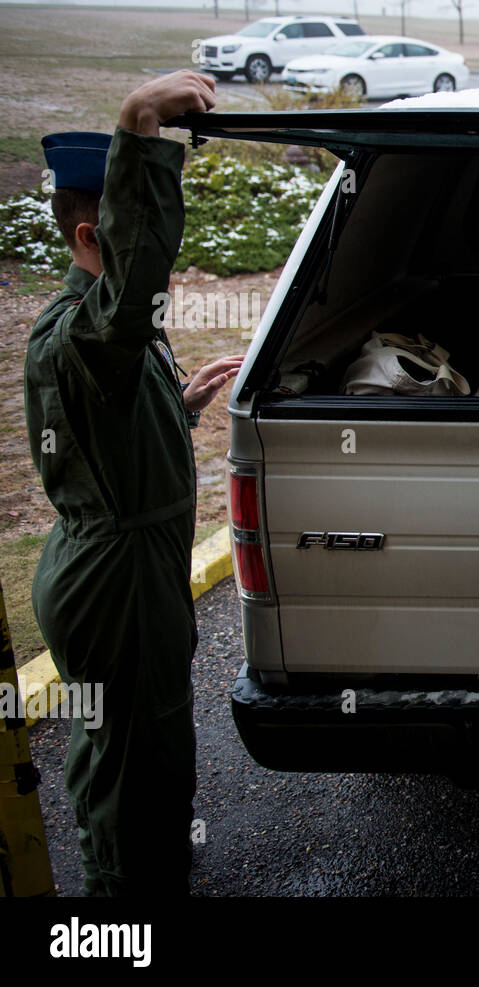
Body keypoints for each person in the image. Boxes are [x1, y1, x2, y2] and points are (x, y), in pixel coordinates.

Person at [25, 70, 244, 896]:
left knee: (140, 742)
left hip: (123, 566)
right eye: (123, 234)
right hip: (112, 578)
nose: (154, 265)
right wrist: (138, 125)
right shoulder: (88, 328)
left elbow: (100, 441)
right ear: (92, 232)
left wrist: (179, 408)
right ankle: (126, 904)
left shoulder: (91, 332)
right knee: (127, 754)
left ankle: (147, 869)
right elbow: (136, 287)